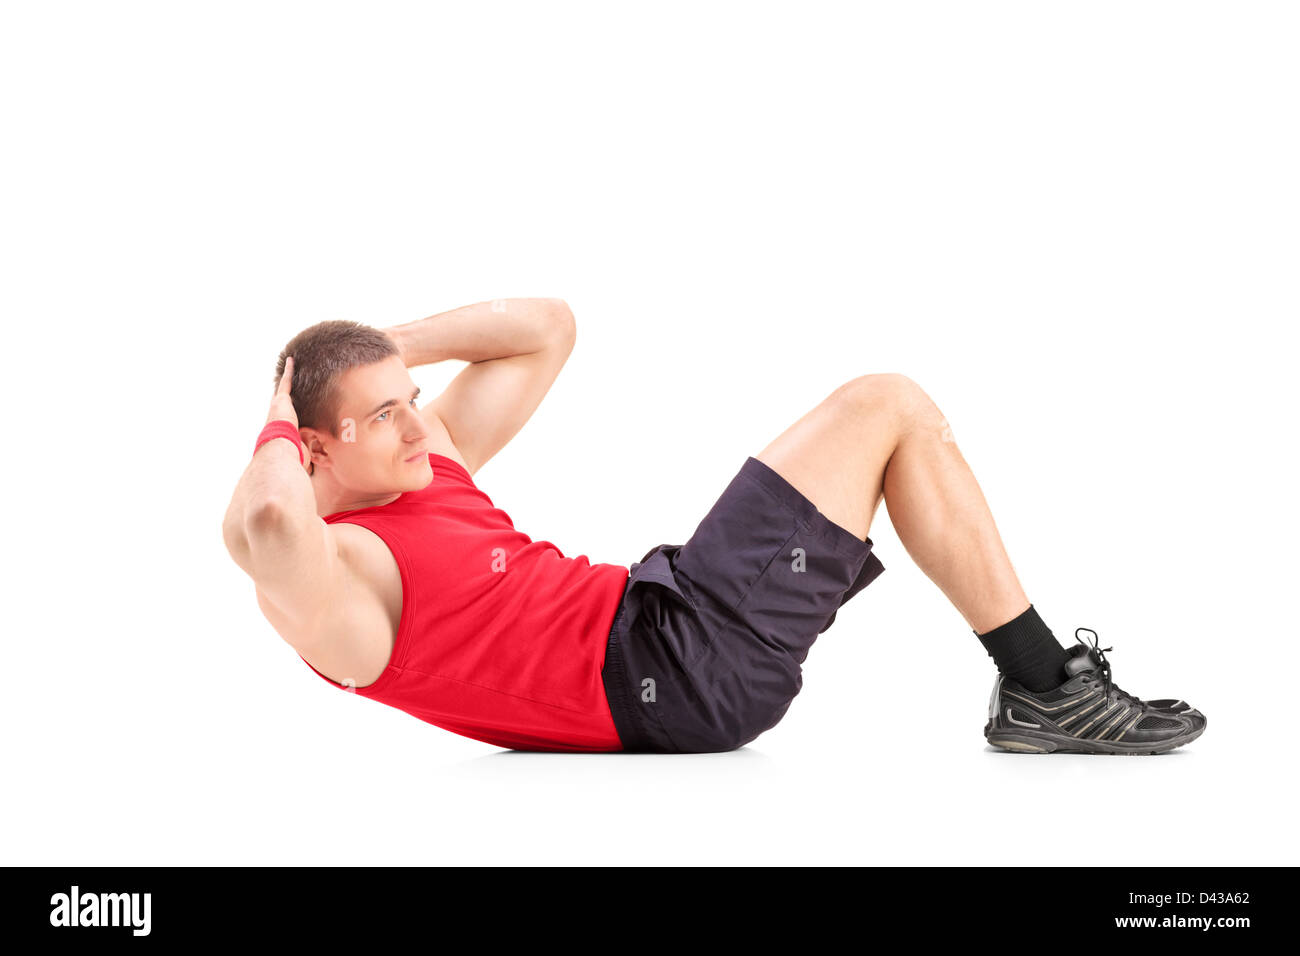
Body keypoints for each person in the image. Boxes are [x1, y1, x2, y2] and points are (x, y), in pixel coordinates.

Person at [222, 298, 1206, 755]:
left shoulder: (420, 464)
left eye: (413, 399)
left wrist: (378, 350)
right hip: (681, 671)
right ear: (309, 447)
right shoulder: (338, 575)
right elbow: (265, 513)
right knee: (887, 402)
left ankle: (1039, 688)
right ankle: (1044, 689)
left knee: (890, 408)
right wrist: (281, 391)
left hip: (668, 620)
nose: (415, 422)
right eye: (382, 413)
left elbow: (548, 326)